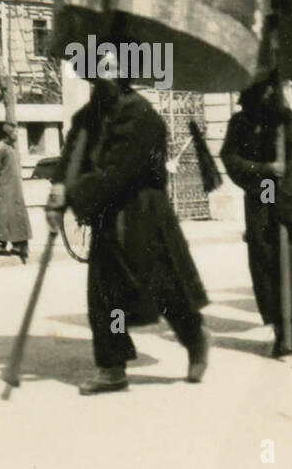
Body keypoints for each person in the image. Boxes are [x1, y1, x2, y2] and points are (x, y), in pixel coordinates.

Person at [48, 66, 211, 395]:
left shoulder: (143, 116)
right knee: (106, 296)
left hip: (144, 218)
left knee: (166, 292)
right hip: (108, 219)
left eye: (113, 67)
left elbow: (119, 172)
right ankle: (111, 367)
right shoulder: (88, 116)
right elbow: (73, 155)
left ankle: (195, 338)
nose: (105, 76)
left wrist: (75, 194)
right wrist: (57, 189)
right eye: (100, 68)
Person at [221, 69, 292, 356]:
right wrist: (265, 171)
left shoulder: (286, 122)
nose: (266, 95)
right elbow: (230, 158)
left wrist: (288, 204)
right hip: (259, 203)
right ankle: (282, 330)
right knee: (267, 267)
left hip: (288, 206)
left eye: (270, 90)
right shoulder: (240, 123)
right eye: (260, 90)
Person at [0, 123, 31, 262]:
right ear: (7, 134)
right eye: (13, 132)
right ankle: (3, 246)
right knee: (3, 217)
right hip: (4, 189)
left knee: (16, 217)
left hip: (15, 189)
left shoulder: (11, 148)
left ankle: (18, 246)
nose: (16, 135)